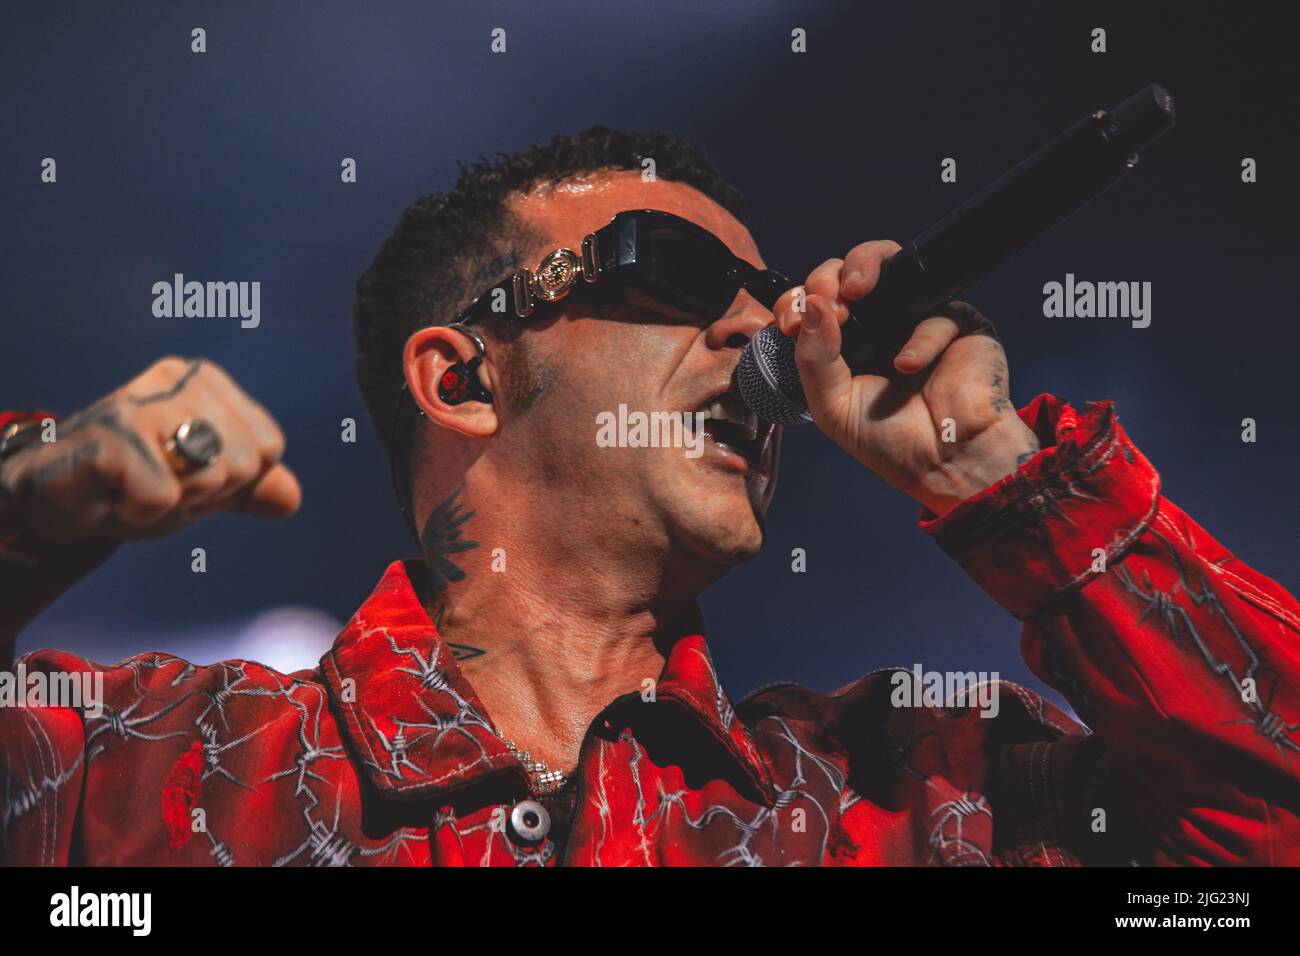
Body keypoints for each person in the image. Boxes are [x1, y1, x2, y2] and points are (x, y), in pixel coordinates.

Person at [1, 127, 1296, 866]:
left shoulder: (923, 791)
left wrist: (1014, 488)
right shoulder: (132, 769)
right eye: (670, 271)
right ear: (462, 375)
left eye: (767, 291)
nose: (766, 323)